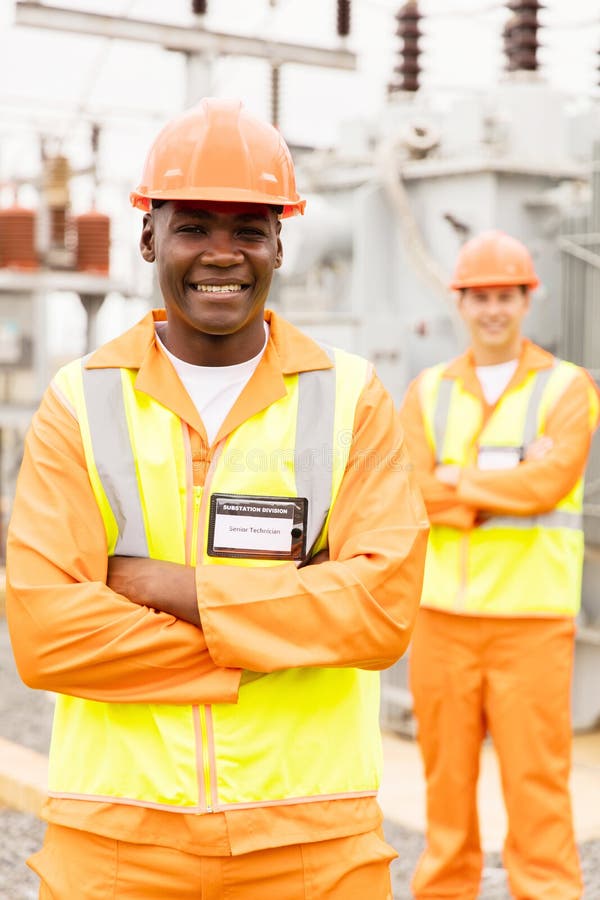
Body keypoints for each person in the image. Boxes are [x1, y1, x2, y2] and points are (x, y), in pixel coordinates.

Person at [6, 97, 429, 899]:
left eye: (248, 229)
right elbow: (45, 634)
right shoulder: (82, 398)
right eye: (194, 226)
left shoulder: (351, 395)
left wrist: (179, 589)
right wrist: (274, 639)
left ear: (279, 241)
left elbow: (382, 610)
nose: (222, 254)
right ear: (148, 237)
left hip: (312, 839)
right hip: (118, 840)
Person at [399, 229, 599, 900]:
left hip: (530, 622)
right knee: (444, 786)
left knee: (537, 785)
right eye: (479, 297)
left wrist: (456, 487)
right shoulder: (428, 392)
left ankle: (545, 891)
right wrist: (496, 488)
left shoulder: (569, 389)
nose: (492, 310)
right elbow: (411, 490)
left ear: (527, 300)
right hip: (442, 622)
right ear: (460, 302)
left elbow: (546, 487)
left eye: (505, 296)